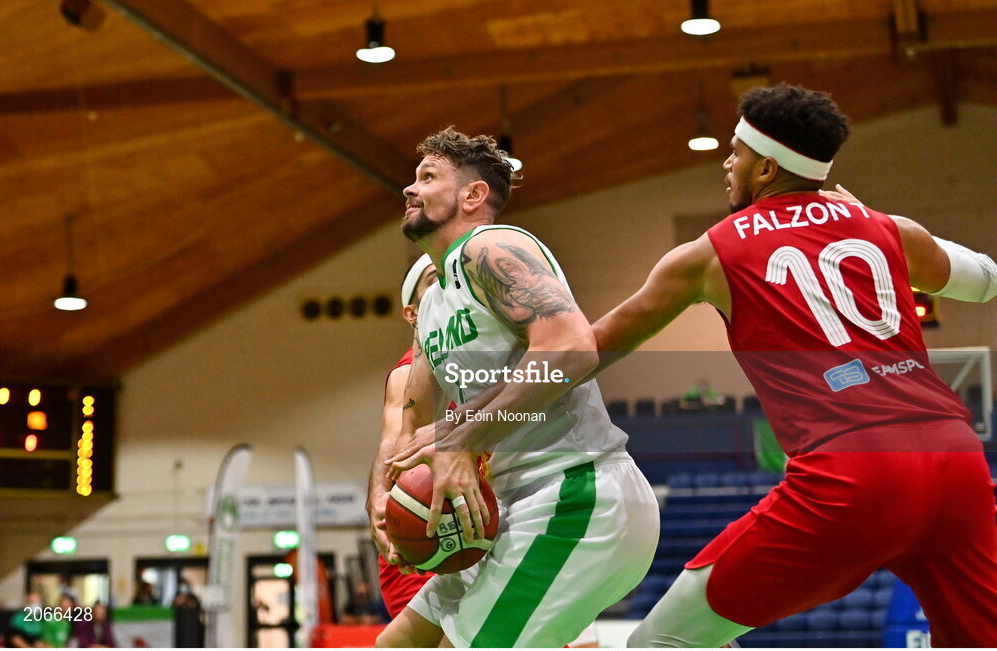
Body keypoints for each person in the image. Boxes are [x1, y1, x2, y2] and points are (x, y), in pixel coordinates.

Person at [589, 83, 997, 646]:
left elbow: (589, 349)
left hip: (855, 474)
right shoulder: (887, 228)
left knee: (661, 641)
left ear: (766, 169)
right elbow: (986, 280)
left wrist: (483, 409)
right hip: (956, 462)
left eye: (735, 152)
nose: (727, 163)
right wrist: (869, 218)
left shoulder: (711, 252)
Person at [377, 127, 660, 647]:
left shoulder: (491, 247)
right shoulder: (434, 301)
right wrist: (387, 500)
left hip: (574, 492)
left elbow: (572, 349)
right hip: (508, 505)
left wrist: (464, 439)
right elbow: (411, 418)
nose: (409, 189)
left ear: (473, 195)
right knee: (397, 644)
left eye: (428, 177)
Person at [366, 254, 438, 619]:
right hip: (425, 535)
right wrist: (379, 499)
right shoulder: (408, 372)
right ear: (412, 313)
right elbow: (392, 443)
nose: (449, 284)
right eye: (435, 279)